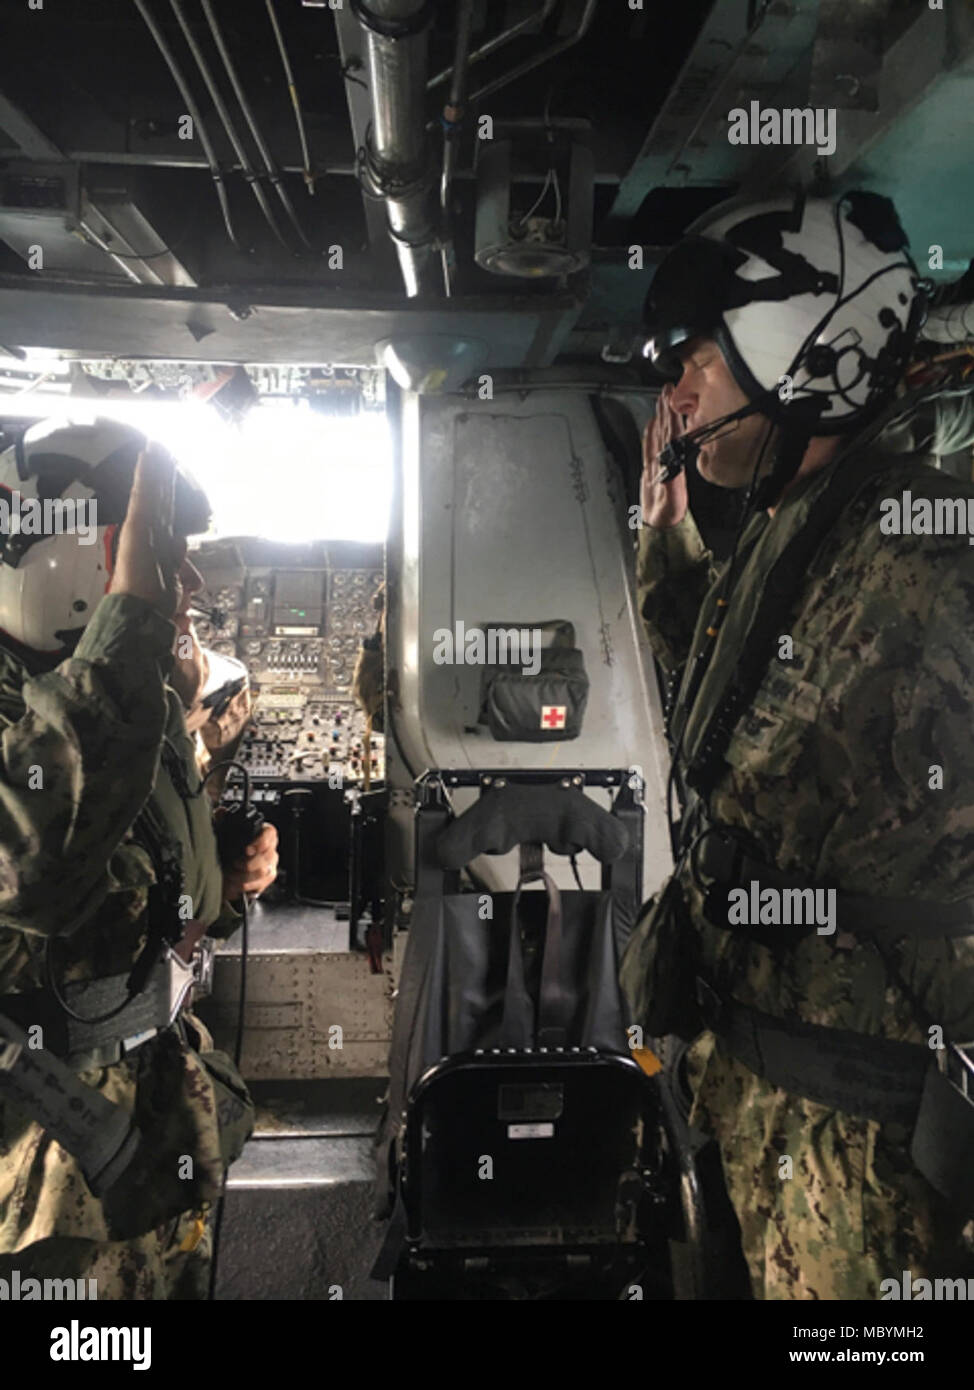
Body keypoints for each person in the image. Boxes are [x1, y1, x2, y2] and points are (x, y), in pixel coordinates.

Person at [620, 191, 974, 1299]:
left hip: (862, 1142)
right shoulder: (793, 530)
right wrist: (664, 538)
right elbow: (722, 724)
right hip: (765, 1093)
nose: (674, 394)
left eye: (696, 365)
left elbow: (781, 757)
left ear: (793, 355)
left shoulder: (922, 548)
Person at [0, 418, 277, 1298]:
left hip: (154, 1130)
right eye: (160, 554)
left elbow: (130, 876)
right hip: (50, 1171)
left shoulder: (130, 698)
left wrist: (220, 886)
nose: (185, 581)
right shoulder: (85, 697)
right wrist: (131, 632)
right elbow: (27, 877)